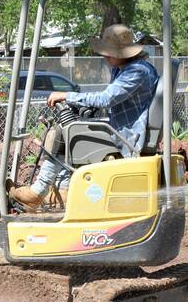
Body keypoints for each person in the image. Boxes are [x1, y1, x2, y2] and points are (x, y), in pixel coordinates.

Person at [10, 24, 159, 210]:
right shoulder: (126, 68)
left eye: (108, 52)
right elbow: (113, 100)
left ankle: (39, 192)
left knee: (64, 133)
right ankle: (61, 190)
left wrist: (66, 96)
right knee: (70, 131)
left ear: (122, 53)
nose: (104, 55)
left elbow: (107, 98)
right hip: (121, 127)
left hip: (128, 136)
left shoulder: (136, 71)